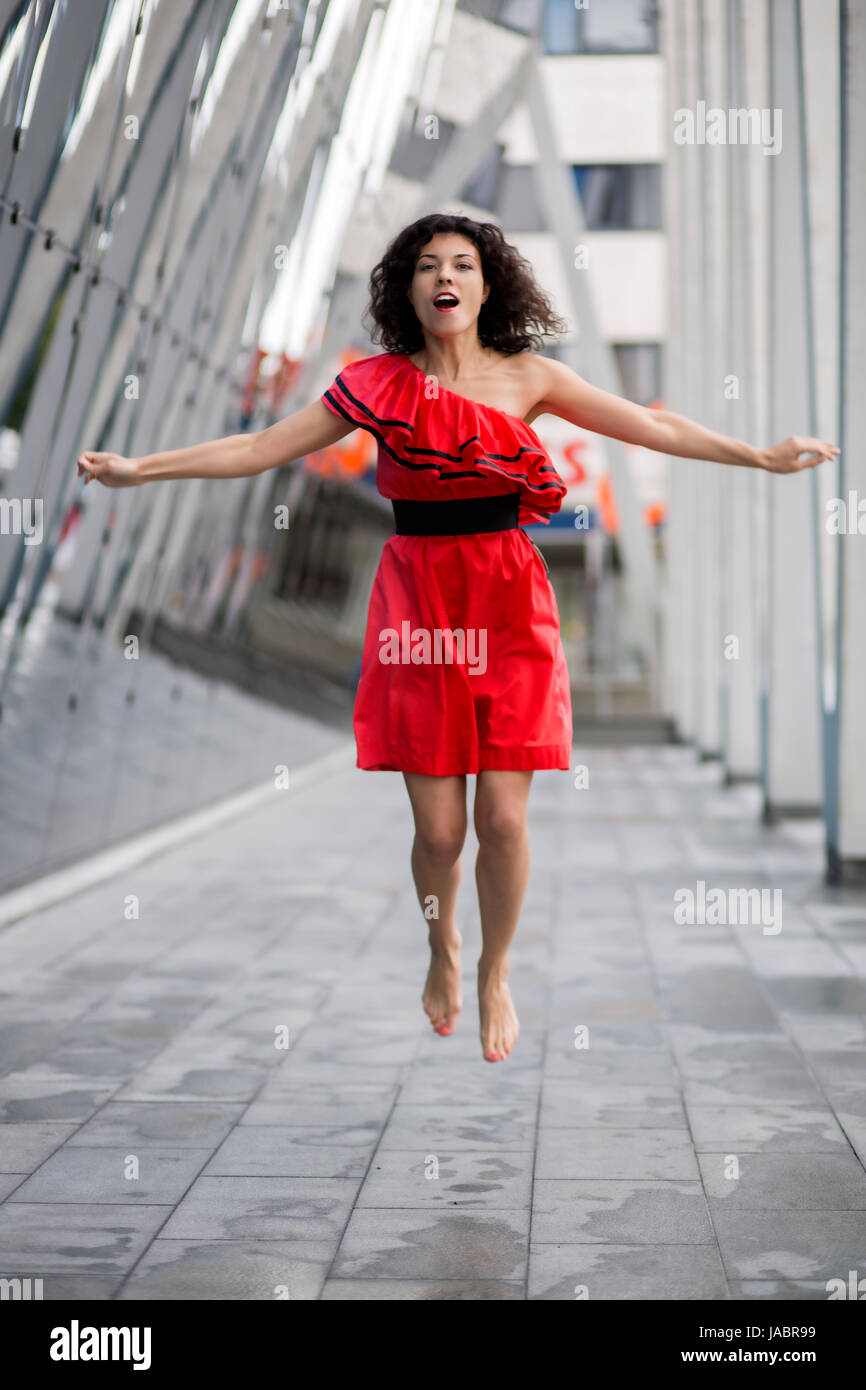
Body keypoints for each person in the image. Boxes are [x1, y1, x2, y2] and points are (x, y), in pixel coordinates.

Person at [76, 212, 839, 1063]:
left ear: (486, 286)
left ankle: (495, 971)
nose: (447, 277)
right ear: (408, 290)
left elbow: (651, 427)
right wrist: (141, 469)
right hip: (418, 603)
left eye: (464, 265)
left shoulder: (528, 377)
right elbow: (260, 445)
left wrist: (762, 457)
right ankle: (442, 947)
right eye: (429, 265)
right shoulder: (373, 384)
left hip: (509, 601)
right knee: (440, 835)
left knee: (503, 821)